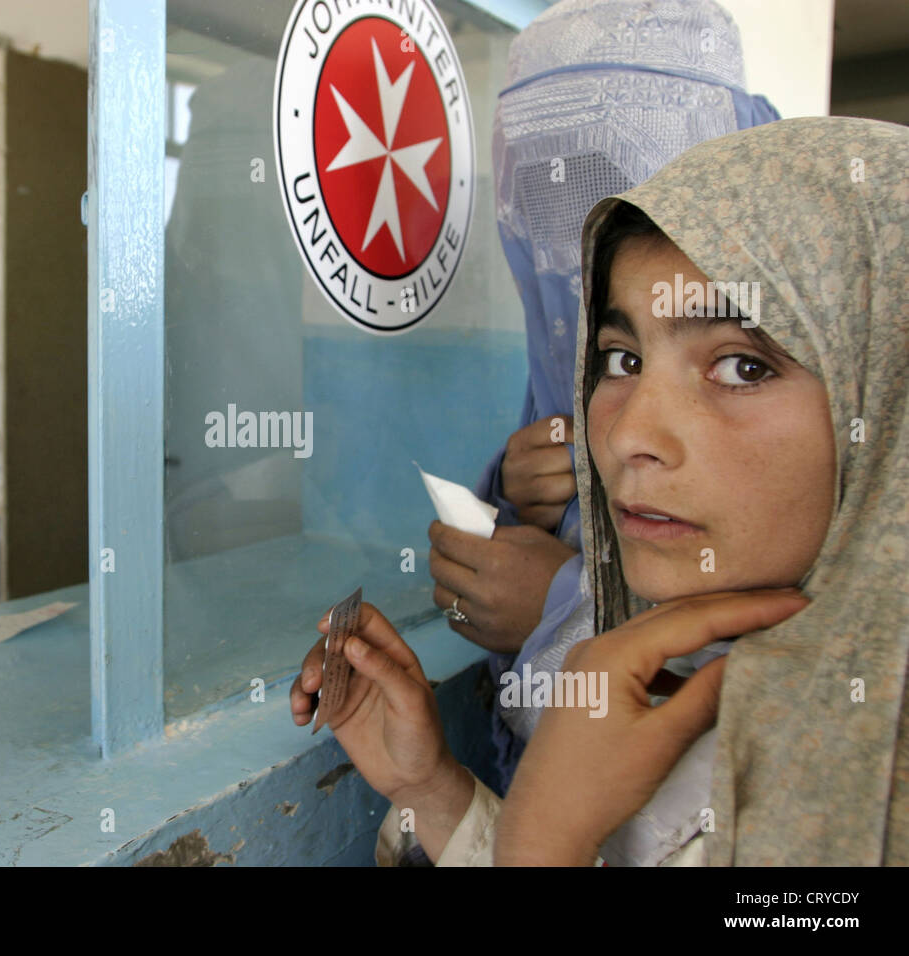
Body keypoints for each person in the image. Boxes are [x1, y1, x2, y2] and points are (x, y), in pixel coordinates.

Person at [292, 115, 909, 865]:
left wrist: (544, 841)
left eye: (742, 366)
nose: (623, 436)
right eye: (620, 359)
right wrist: (432, 790)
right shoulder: (705, 693)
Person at [425, 0, 781, 794]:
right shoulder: (568, 373)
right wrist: (517, 498)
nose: (584, 218)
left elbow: (775, 700)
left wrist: (558, 614)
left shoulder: (802, 336)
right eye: (550, 171)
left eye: (621, 157)